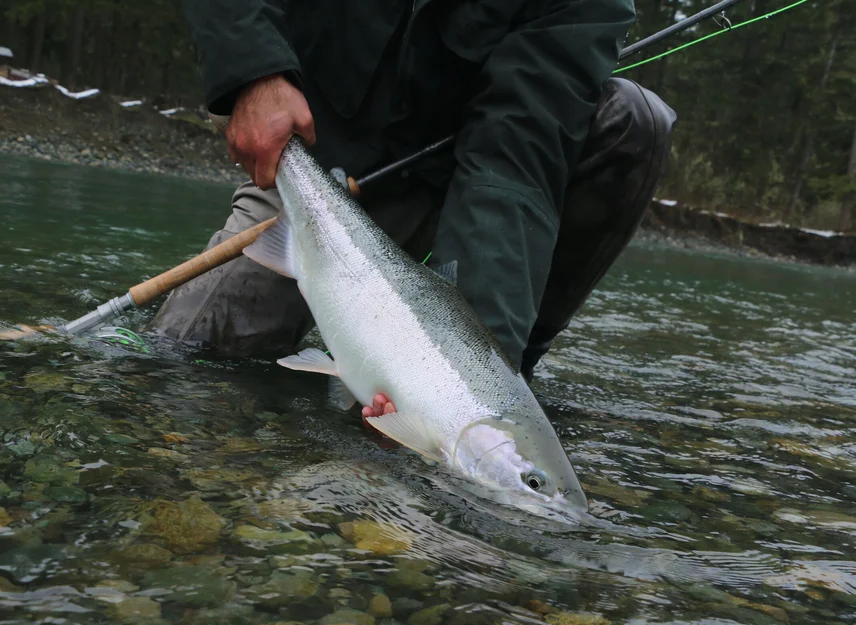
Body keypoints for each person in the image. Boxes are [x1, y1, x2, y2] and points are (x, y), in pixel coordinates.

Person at [153, 0, 676, 422]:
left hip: (467, 193)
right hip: (317, 161)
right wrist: (254, 73)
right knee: (184, 363)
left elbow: (515, 162)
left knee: (634, 119)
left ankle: (510, 384)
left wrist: (462, 386)